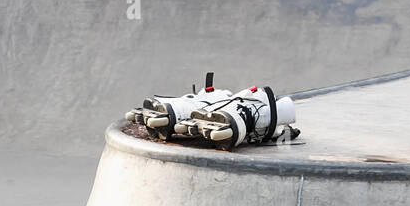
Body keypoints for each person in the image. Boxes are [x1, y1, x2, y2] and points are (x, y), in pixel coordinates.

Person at [126, 73, 300, 150]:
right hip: (232, 104)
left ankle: (252, 115)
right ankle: (206, 102)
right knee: (230, 96)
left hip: (262, 114)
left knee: (257, 101)